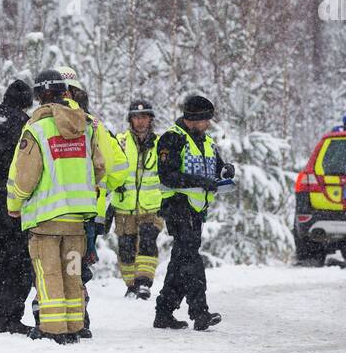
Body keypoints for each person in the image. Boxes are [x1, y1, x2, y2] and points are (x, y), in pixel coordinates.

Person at [6, 69, 107, 344]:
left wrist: (14, 203)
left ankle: (53, 330)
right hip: (77, 220)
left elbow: (25, 177)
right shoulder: (86, 126)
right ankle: (75, 326)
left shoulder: (37, 129)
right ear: (65, 92)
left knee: (48, 273)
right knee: (73, 272)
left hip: (46, 220)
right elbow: (100, 167)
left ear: (38, 96)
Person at [154, 93, 235, 331]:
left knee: (181, 260)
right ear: (192, 119)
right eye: (205, 120)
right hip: (178, 206)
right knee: (191, 259)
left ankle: (163, 312)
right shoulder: (172, 138)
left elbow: (217, 168)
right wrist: (199, 181)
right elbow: (167, 175)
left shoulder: (206, 142)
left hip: (197, 209)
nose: (208, 124)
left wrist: (225, 171)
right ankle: (200, 312)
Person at [59, 68, 128, 338]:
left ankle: (49, 314)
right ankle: (78, 317)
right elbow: (119, 167)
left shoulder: (39, 122)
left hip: (49, 214)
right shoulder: (94, 125)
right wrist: (99, 190)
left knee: (51, 264)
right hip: (87, 213)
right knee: (76, 265)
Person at [0, 78, 35, 333]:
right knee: (20, 259)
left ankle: (0, 315)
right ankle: (12, 316)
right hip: (17, 201)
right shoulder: (24, 124)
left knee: (1, 257)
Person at [112, 99, 164, 299]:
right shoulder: (120, 141)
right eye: (136, 117)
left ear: (150, 119)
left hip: (152, 206)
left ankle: (144, 283)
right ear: (130, 120)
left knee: (147, 241)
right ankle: (131, 284)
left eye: (144, 117)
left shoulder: (160, 144)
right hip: (124, 205)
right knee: (126, 248)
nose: (140, 122)